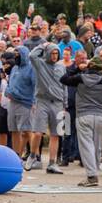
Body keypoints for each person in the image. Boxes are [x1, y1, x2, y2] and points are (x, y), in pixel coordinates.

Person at [60, 51, 102, 186]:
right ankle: (93, 172)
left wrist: (77, 68)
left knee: (86, 146)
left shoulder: (80, 78)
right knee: (96, 147)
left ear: (89, 66)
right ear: (101, 68)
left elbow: (63, 79)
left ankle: (91, 176)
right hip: (101, 116)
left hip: (84, 115)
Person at [30, 42, 66, 174]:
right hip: (42, 101)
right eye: (52, 53)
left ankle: (52, 163)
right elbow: (31, 56)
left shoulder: (61, 66)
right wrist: (43, 45)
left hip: (58, 102)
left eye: (56, 53)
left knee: (56, 134)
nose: (55, 56)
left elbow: (64, 86)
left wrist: (65, 105)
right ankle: (33, 156)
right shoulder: (40, 64)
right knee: (38, 132)